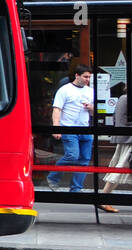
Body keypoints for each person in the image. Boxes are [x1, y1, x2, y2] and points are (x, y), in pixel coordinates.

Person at [48, 65, 94, 193]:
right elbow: (57, 109)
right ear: (77, 75)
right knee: (73, 155)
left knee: (84, 160)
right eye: (85, 76)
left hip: (85, 128)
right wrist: (56, 127)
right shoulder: (65, 90)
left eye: (89, 77)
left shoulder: (90, 91)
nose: (87, 80)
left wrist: (91, 108)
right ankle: (53, 177)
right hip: (68, 128)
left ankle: (76, 188)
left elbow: (95, 113)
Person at [97, 82, 129, 212]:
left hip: (127, 139)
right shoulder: (125, 99)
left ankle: (103, 198)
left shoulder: (124, 98)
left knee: (120, 168)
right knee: (120, 168)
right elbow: (122, 121)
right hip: (128, 140)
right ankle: (103, 199)